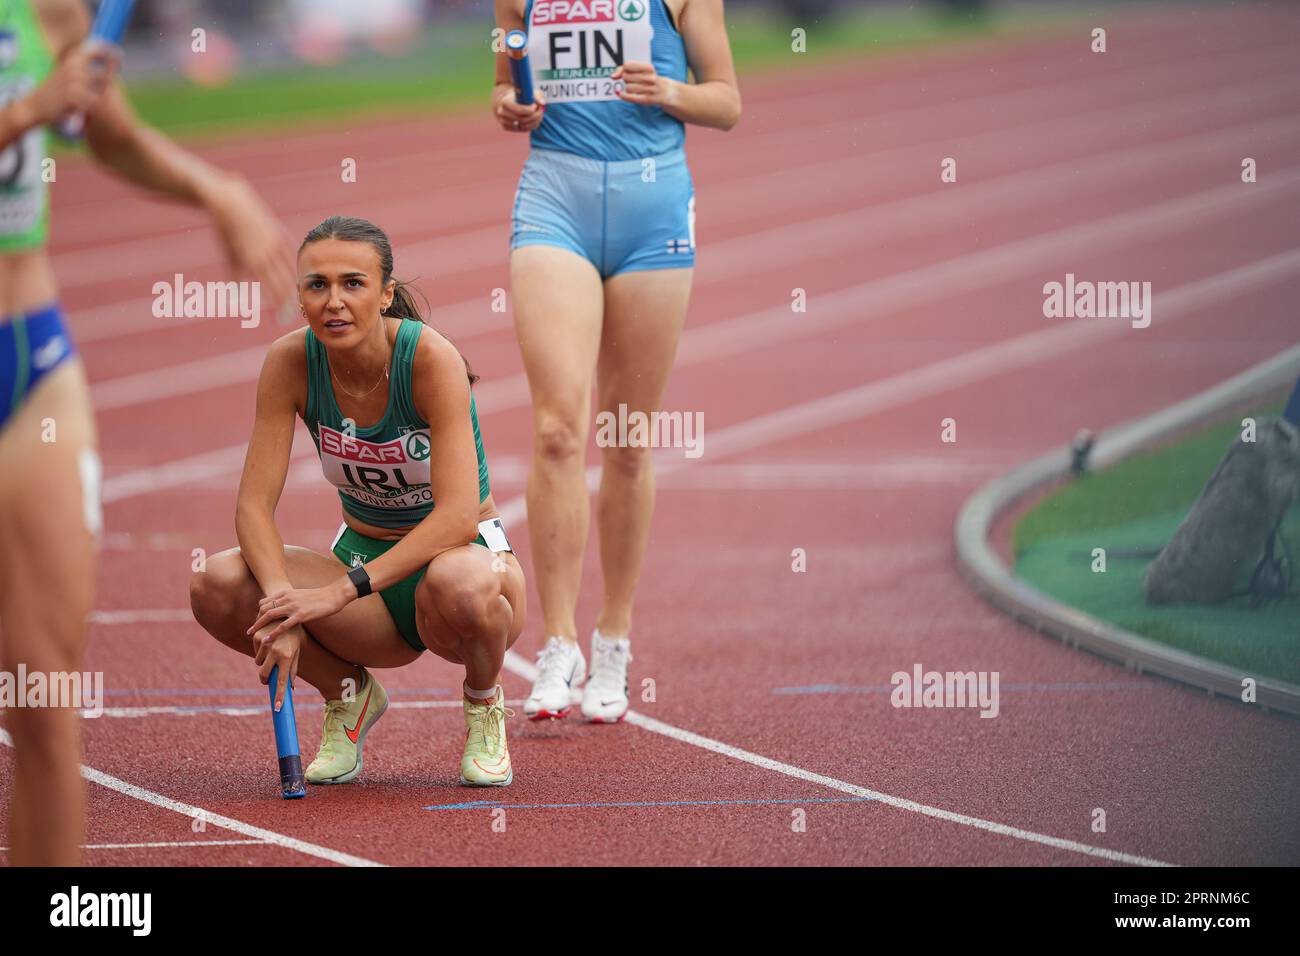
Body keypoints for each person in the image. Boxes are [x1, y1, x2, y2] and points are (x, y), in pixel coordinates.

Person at [0, 0, 294, 865]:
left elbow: (102, 126)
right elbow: (50, 109)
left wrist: (215, 188)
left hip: (31, 358)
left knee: (45, 701)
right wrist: (24, 111)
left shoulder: (47, 10)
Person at [189, 216, 527, 788]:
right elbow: (253, 507)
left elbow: (456, 516)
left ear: (386, 294)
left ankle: (483, 704)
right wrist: (280, 607)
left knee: (461, 584)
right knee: (217, 583)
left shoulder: (428, 358)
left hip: (466, 561)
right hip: (367, 580)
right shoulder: (290, 361)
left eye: (353, 283)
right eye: (316, 285)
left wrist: (338, 591)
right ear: (299, 297)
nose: (334, 302)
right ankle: (349, 696)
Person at [491, 0, 740, 721]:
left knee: (627, 439)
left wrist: (670, 92)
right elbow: (504, 83)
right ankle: (558, 641)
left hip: (652, 204)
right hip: (554, 200)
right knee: (557, 431)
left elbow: (726, 103)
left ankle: (615, 639)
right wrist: (511, 105)